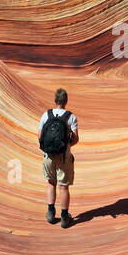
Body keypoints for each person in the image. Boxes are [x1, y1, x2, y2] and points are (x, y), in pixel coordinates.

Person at [38, 88, 78, 228]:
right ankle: (64, 217)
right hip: (63, 156)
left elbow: (40, 137)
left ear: (55, 100)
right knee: (64, 187)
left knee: (51, 183)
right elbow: (76, 138)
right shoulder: (71, 117)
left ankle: (50, 213)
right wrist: (66, 145)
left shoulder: (46, 115)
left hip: (48, 155)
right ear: (66, 101)